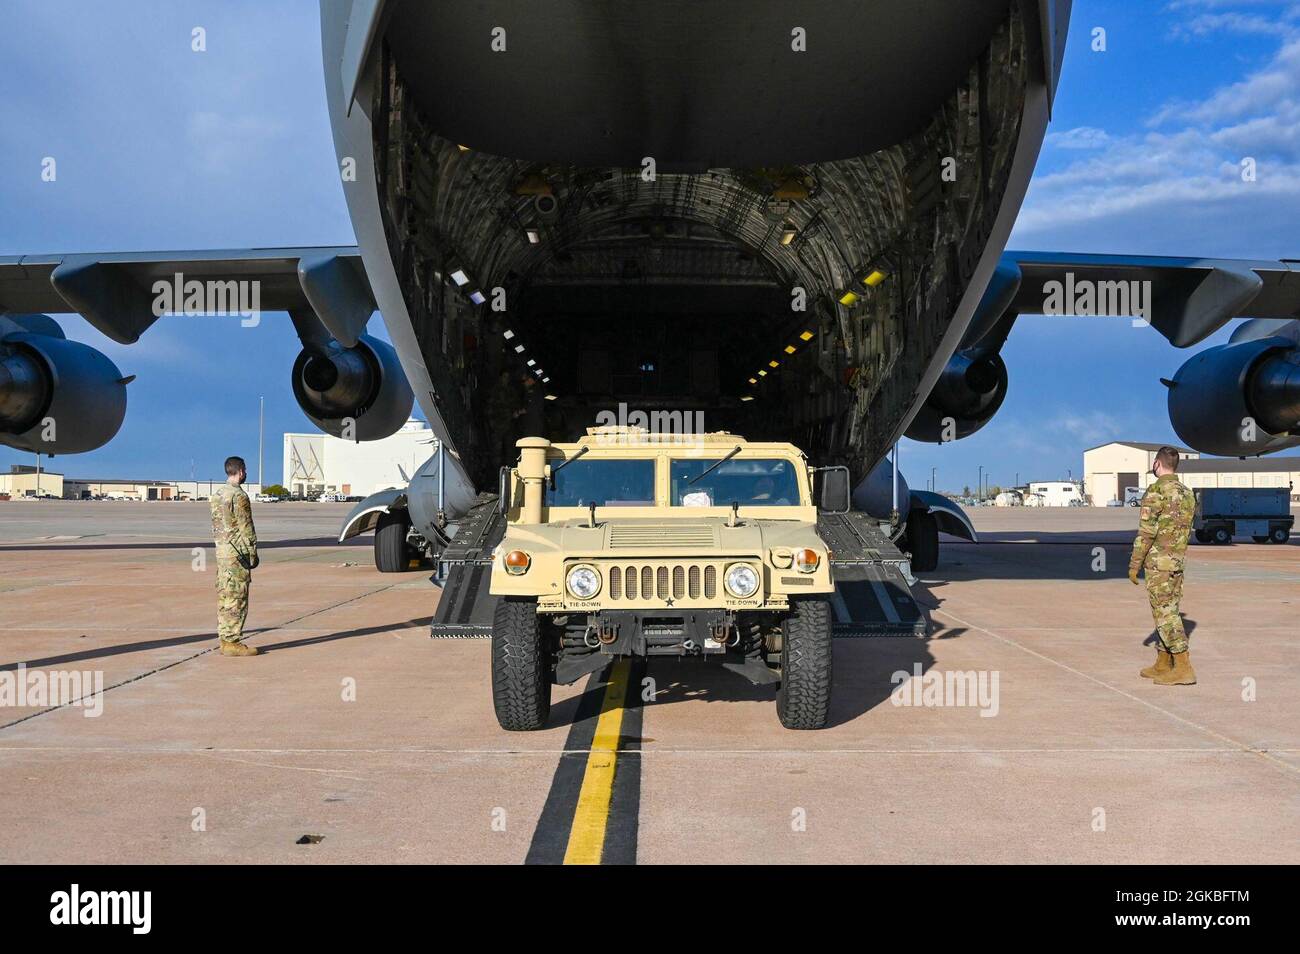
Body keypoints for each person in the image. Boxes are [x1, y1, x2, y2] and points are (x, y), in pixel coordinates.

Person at [1128, 446, 1196, 685]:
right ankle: (1163, 661)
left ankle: (1183, 665)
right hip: (1177, 562)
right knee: (1167, 609)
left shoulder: (1156, 491)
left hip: (1159, 564)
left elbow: (1146, 532)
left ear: (1157, 464)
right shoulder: (1187, 493)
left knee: (1166, 614)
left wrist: (1134, 564)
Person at [210, 456, 259, 657]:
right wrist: (252, 551)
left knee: (225, 595)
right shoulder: (239, 496)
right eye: (245, 471)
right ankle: (232, 641)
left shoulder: (217, 494)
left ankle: (225, 637)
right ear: (240, 471)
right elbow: (246, 526)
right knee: (237, 597)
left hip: (222, 552)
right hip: (237, 553)